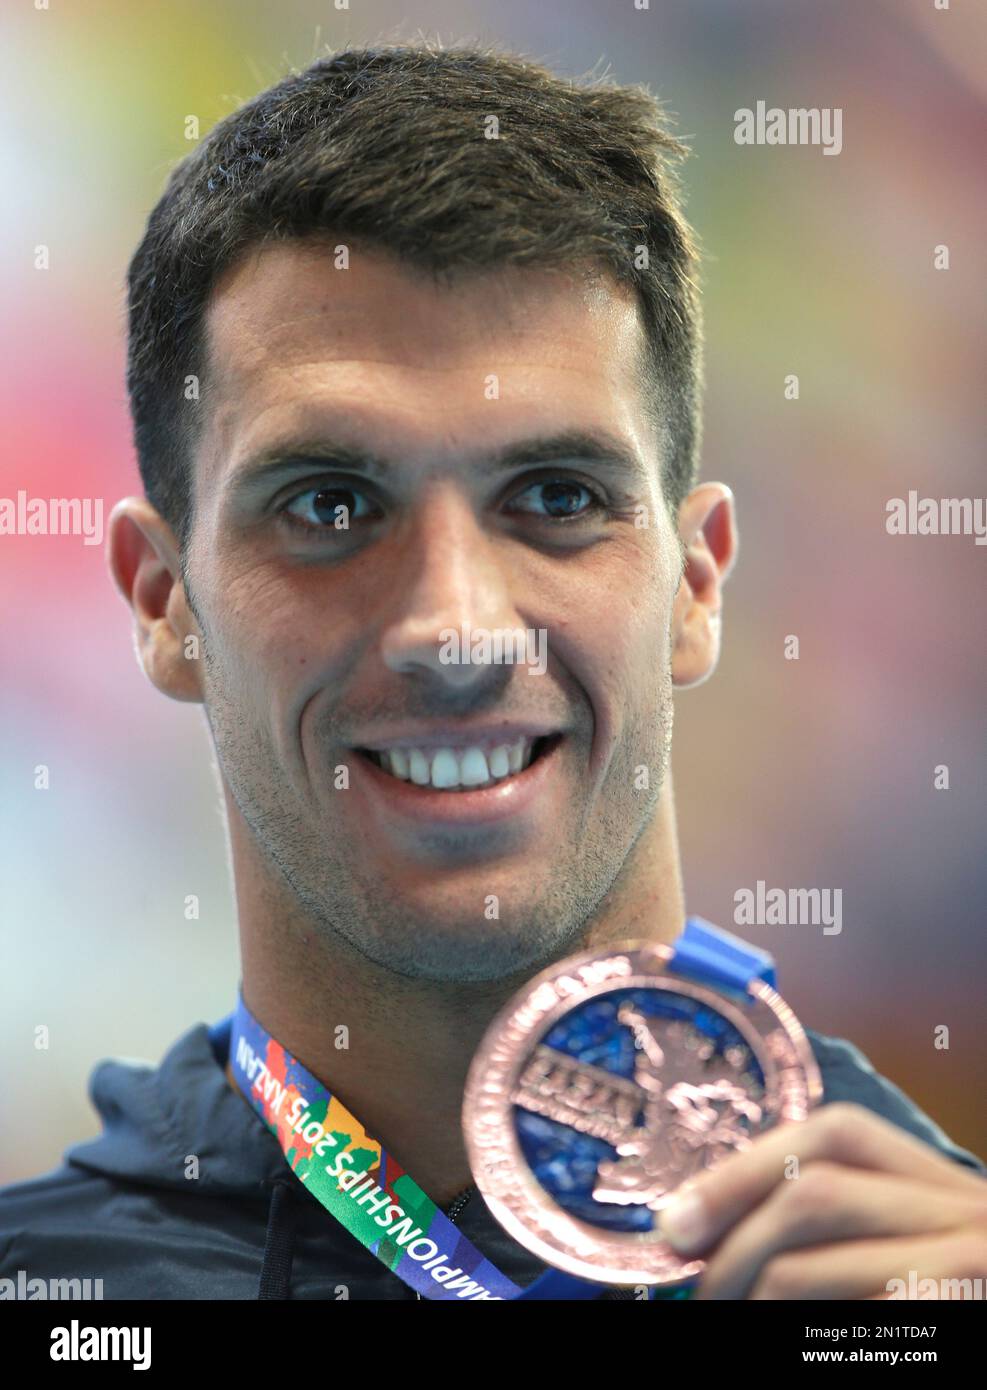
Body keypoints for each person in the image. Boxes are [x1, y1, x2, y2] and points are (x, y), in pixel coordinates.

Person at [1, 42, 983, 1302]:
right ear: (163, 601)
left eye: (557, 496)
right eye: (332, 504)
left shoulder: (927, 1283)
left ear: (695, 583)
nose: (456, 629)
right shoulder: (51, 1294)